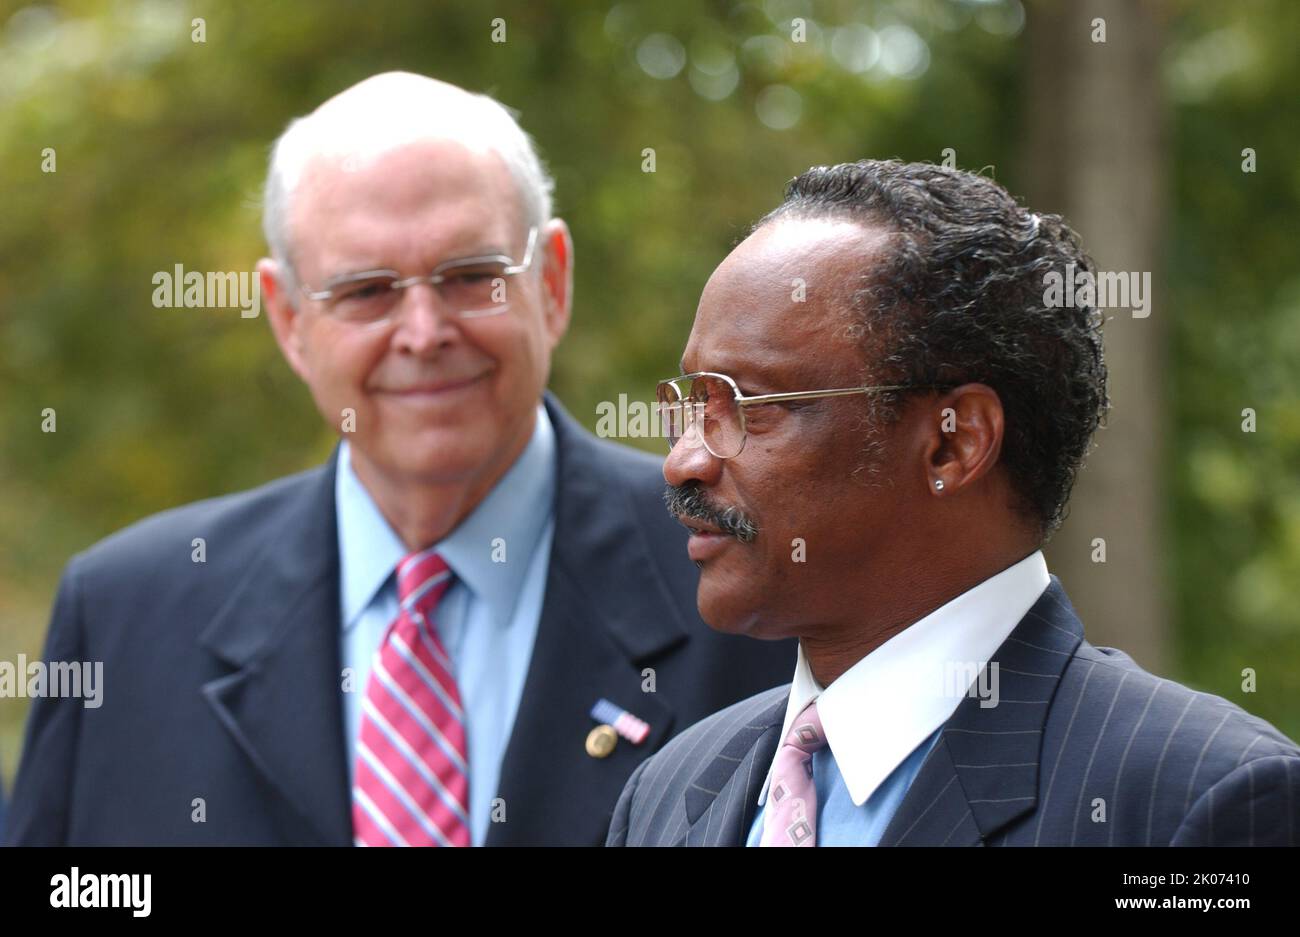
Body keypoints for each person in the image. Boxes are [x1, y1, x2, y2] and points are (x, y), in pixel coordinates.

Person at [4, 72, 794, 847]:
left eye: (471, 276)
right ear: (287, 318)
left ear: (551, 281)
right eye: (366, 290)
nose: (424, 332)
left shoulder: (752, 589)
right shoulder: (124, 617)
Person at [608, 159, 1300, 847]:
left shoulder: (1200, 802)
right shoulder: (669, 792)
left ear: (954, 443)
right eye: (694, 402)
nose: (684, 459)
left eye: (751, 406)